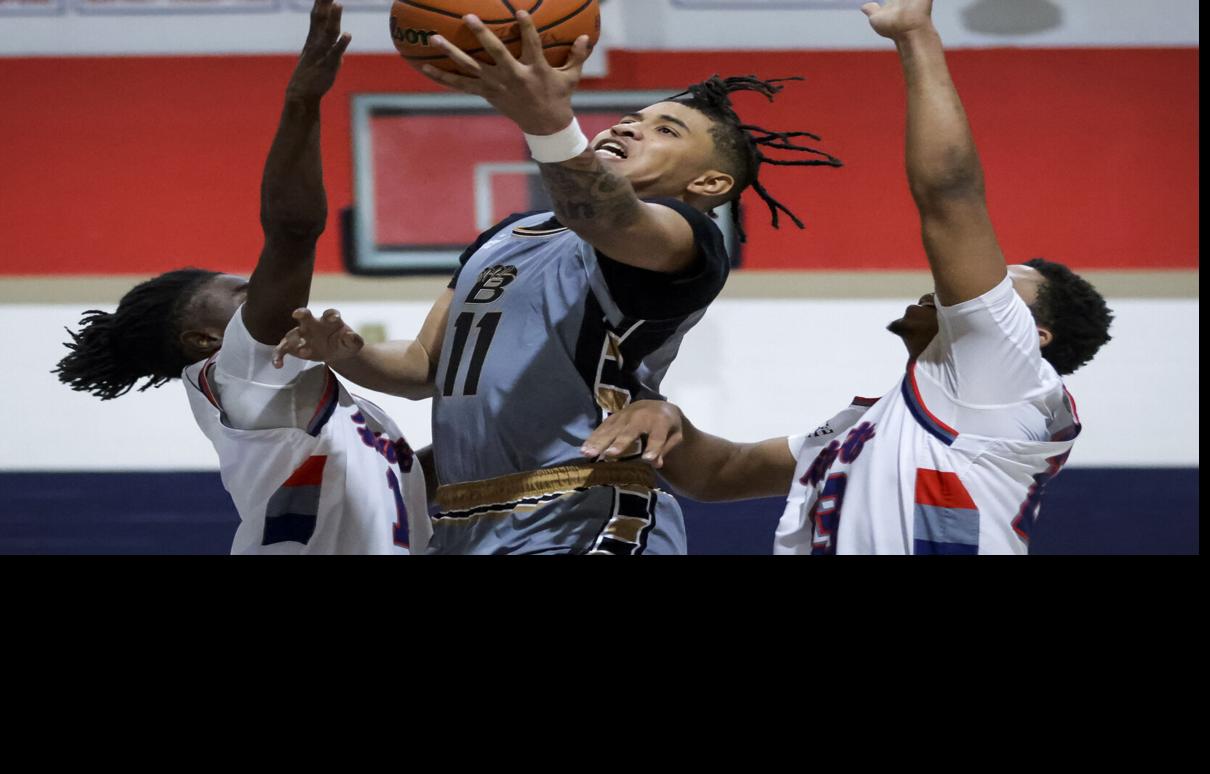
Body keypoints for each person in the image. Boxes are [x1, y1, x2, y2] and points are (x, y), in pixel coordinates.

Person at [276, 12, 842, 554]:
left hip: (587, 510)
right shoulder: (511, 233)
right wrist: (351, 354)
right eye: (633, 119)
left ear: (710, 182)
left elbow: (606, 217)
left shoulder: (685, 238)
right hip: (460, 522)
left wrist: (546, 120)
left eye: (665, 129)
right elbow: (425, 366)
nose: (629, 125)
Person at [578, 0, 1115, 555]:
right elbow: (722, 473)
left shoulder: (1008, 381)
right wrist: (668, 417)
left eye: (1003, 287)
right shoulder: (874, 427)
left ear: (1031, 336)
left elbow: (950, 195)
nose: (955, 287)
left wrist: (915, 36)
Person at [54, 0, 431, 555]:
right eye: (243, 294)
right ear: (206, 341)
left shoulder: (311, 405)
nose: (268, 295)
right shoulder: (244, 372)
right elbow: (293, 231)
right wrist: (302, 104)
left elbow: (400, 486)